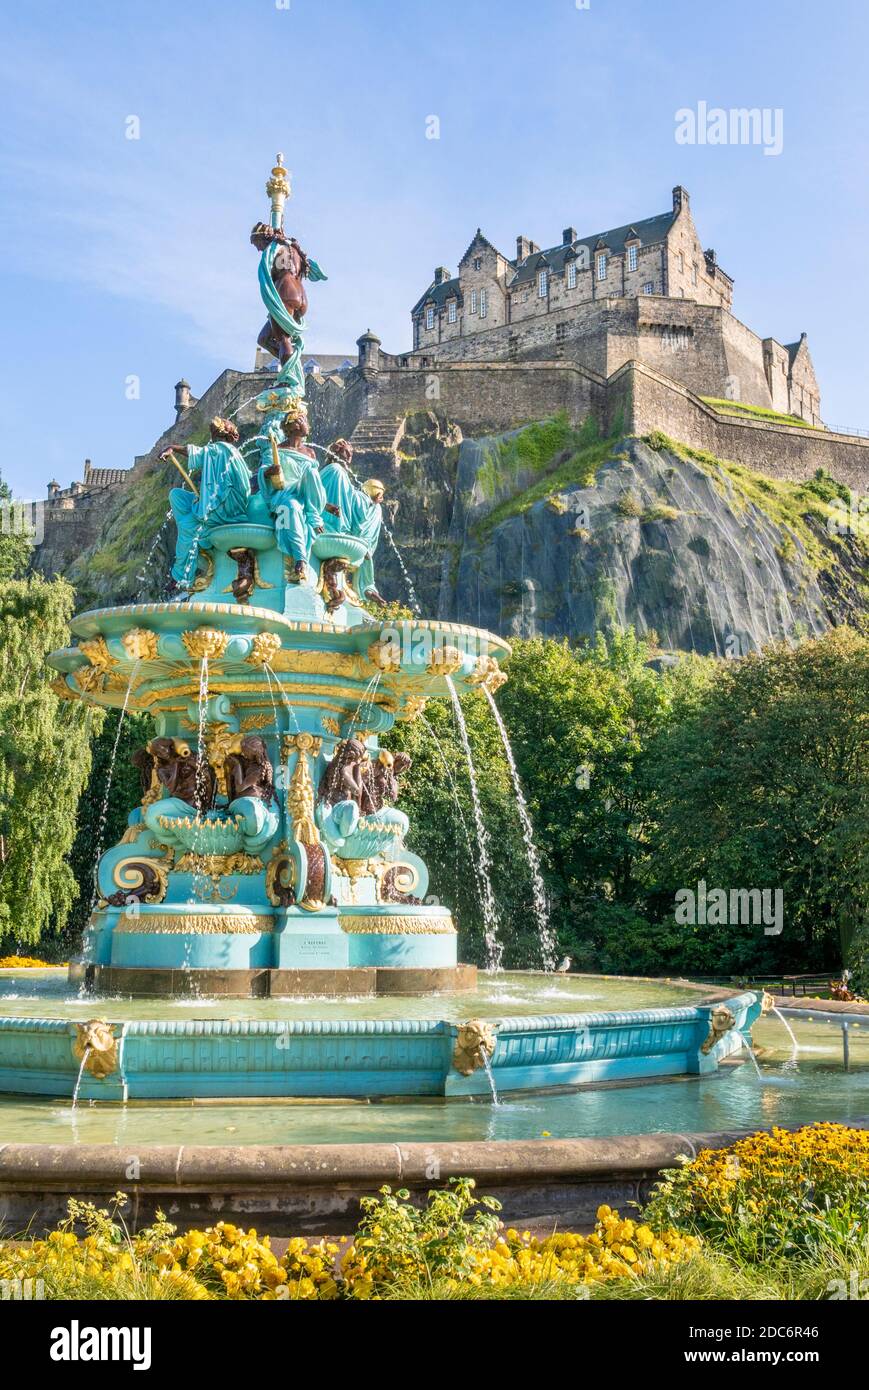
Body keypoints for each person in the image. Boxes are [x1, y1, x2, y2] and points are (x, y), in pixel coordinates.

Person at [160, 418, 251, 589]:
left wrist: (172, 448)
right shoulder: (227, 452)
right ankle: (196, 521)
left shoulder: (220, 450)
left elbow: (196, 452)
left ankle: (180, 576)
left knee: (187, 526)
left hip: (223, 509)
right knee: (177, 495)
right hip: (220, 505)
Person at [257, 402, 326, 579]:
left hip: (306, 496)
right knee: (292, 507)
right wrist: (268, 472)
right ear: (294, 425)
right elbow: (263, 471)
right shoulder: (277, 450)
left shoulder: (310, 453)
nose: (307, 425)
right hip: (284, 495)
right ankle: (300, 560)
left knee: (311, 472)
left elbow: (315, 484)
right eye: (303, 421)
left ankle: (313, 515)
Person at [320, 440, 387, 604]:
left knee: (376, 509)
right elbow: (315, 494)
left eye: (351, 454)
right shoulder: (334, 471)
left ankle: (368, 586)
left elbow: (352, 497)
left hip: (343, 523)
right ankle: (366, 586)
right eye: (346, 453)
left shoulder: (345, 479)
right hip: (326, 524)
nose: (349, 457)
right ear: (337, 451)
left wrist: (372, 500)